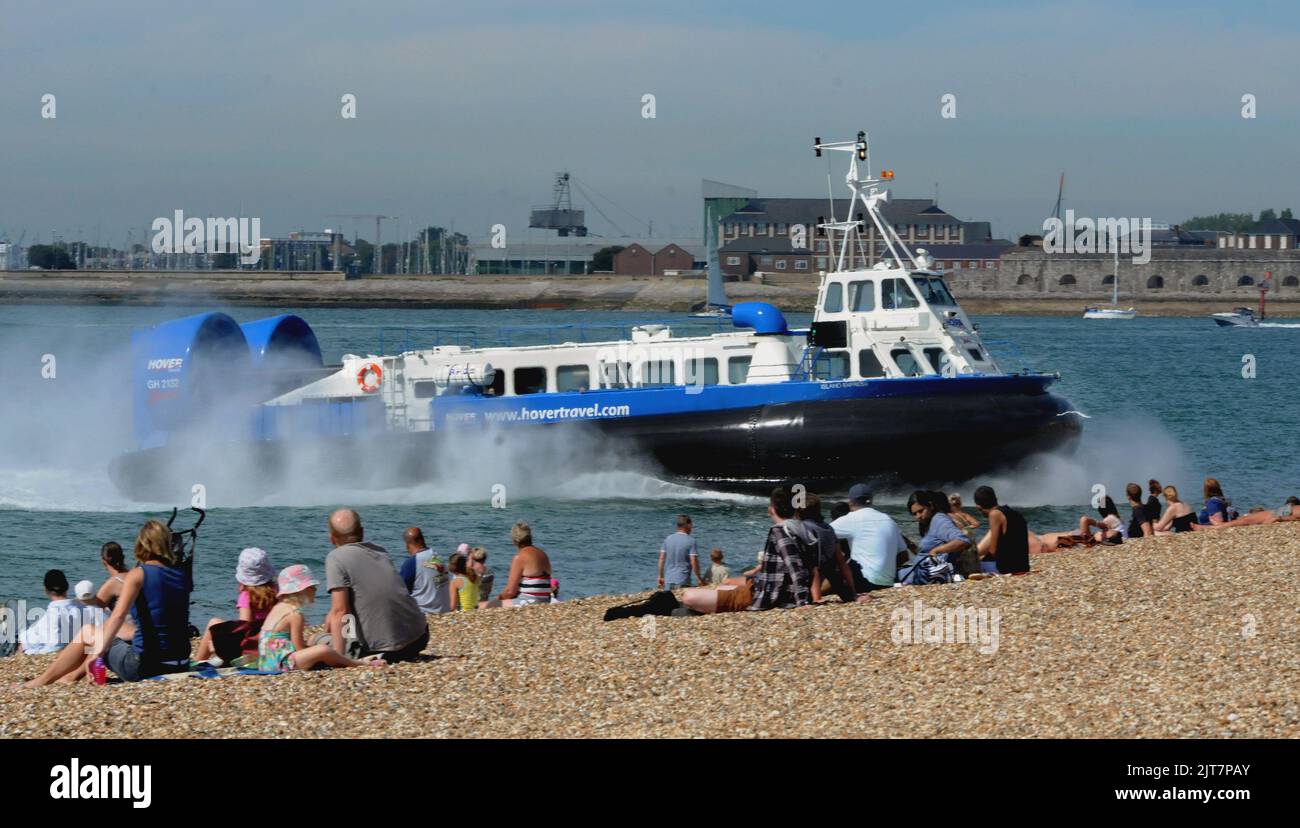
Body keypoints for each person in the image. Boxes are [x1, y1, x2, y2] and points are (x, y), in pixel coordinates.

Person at [23, 520, 193, 687]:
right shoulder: (181, 575)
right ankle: (72, 676)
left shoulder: (138, 574)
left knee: (87, 632)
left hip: (145, 666)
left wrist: (96, 655)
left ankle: (42, 680)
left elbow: (118, 616)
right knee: (113, 631)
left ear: (142, 544)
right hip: (180, 662)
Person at [681, 486, 818, 613]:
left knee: (688, 596)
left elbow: (794, 565)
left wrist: (802, 601)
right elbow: (810, 568)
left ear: (771, 509)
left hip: (767, 595)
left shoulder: (781, 531)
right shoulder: (804, 530)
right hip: (764, 586)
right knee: (722, 586)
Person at [322, 508, 429, 663]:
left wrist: (339, 658)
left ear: (332, 538)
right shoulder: (380, 550)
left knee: (317, 639)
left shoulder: (335, 558)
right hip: (419, 637)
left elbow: (341, 611)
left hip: (382, 649)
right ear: (362, 532)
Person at [259, 565, 385, 673]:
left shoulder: (278, 608)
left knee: (320, 648)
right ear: (304, 590)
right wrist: (319, 652)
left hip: (266, 663)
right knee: (323, 649)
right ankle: (360, 664)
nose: (315, 591)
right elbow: (299, 648)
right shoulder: (295, 615)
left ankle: (347, 660)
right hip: (282, 665)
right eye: (313, 588)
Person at [194, 547, 278, 665]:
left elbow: (244, 627)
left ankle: (198, 661)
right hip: (273, 645)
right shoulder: (277, 590)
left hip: (251, 650)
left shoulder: (247, 596)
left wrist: (218, 645)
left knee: (214, 623)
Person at [829, 483, 908, 592]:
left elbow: (822, 534)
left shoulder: (852, 518)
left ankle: (812, 593)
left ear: (850, 503)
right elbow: (904, 555)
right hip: (888, 583)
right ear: (871, 500)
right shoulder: (889, 519)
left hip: (864, 583)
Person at [18, 570, 97, 655]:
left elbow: (54, 648)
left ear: (45, 590)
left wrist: (26, 651)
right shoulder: (85, 610)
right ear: (67, 587)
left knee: (14, 608)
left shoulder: (54, 614)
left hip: (25, 644)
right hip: (30, 636)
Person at [483, 522, 554, 607]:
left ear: (514, 540)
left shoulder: (519, 557)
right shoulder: (543, 554)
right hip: (545, 600)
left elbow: (510, 591)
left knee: (483, 606)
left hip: (528, 601)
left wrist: (497, 599)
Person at [909, 491, 973, 573]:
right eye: (914, 514)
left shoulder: (939, 519)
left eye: (921, 511)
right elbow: (924, 552)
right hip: (925, 572)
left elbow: (962, 540)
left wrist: (936, 551)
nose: (918, 516)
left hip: (933, 574)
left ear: (931, 506)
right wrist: (908, 543)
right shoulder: (929, 524)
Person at [973, 486, 1030, 575]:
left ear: (978, 507)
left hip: (1007, 569)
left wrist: (980, 560)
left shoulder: (995, 514)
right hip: (1023, 566)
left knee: (966, 567)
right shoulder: (1015, 513)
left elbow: (993, 551)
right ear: (995, 499)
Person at [399, 527, 452, 616]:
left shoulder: (412, 562)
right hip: (444, 611)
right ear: (423, 540)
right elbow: (439, 584)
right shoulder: (436, 557)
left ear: (407, 545)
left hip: (426, 613)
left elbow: (399, 590)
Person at [657, 514, 701, 590]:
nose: (692, 529)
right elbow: (694, 561)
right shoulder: (691, 541)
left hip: (668, 580)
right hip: (683, 580)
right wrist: (698, 577)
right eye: (692, 526)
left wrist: (660, 576)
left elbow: (661, 559)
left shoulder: (668, 539)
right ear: (688, 525)